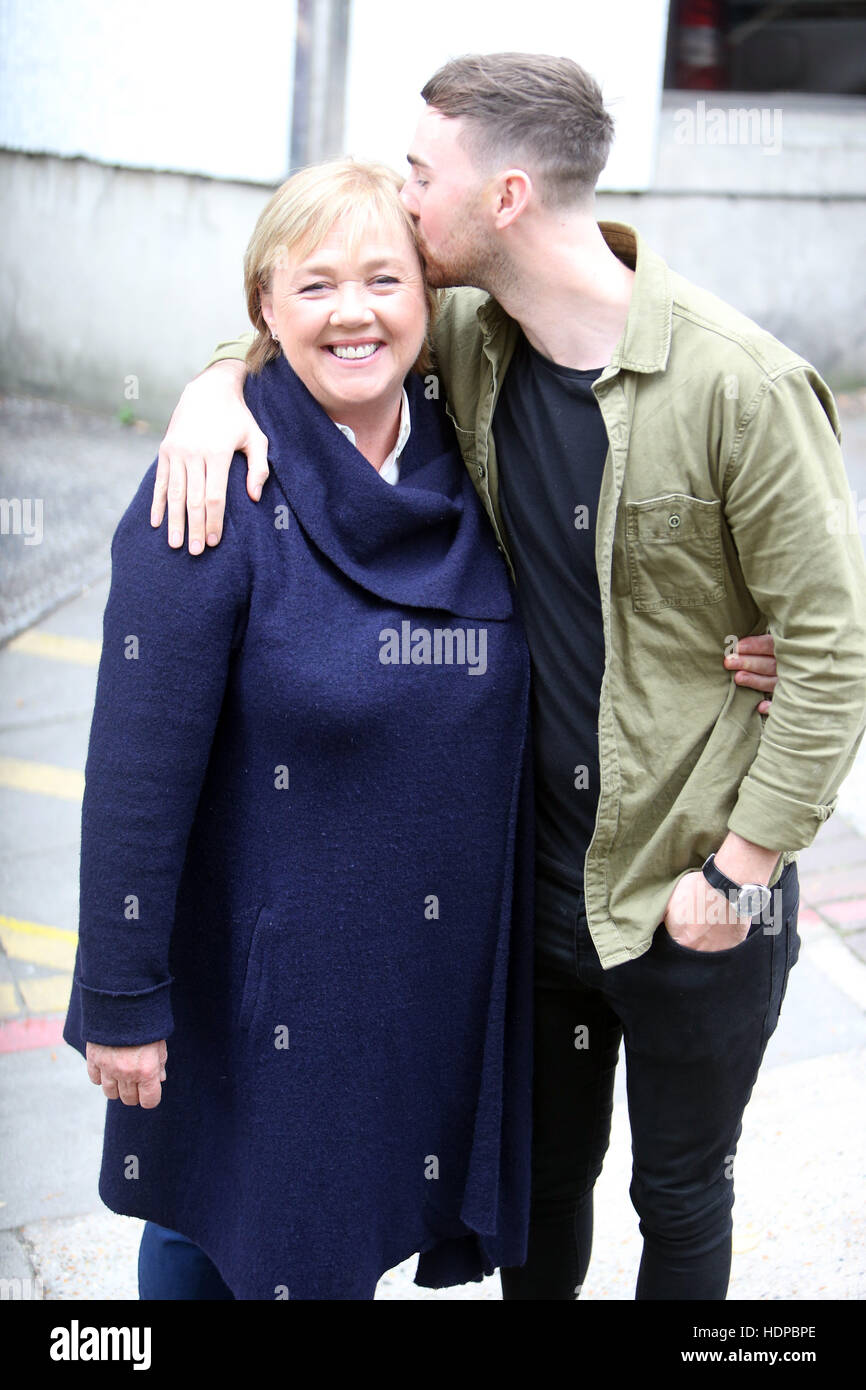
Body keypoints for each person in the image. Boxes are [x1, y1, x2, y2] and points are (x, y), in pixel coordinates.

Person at [148, 56, 861, 1303]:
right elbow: (317, 325)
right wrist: (216, 387)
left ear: (509, 196)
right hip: (532, 892)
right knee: (540, 1192)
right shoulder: (472, 342)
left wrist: (735, 875)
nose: (407, 199)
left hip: (690, 882)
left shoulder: (737, 387)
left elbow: (828, 653)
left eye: (424, 175)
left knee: (680, 1196)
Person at [63, 158, 540, 1301]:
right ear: (264, 310)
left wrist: (747, 653)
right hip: (252, 994)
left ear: (430, 307)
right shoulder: (211, 484)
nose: (354, 311)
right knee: (211, 1236)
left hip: (402, 999)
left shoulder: (472, 467)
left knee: (341, 1244)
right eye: (314, 285)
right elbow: (135, 769)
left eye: (383, 277)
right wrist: (123, 1002)